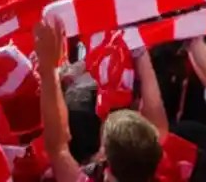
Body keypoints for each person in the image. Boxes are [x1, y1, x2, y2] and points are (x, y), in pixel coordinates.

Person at [36, 20, 164, 182]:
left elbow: (58, 147)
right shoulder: (165, 170)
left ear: (105, 157)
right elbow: (157, 117)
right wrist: (140, 52)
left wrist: (48, 69)